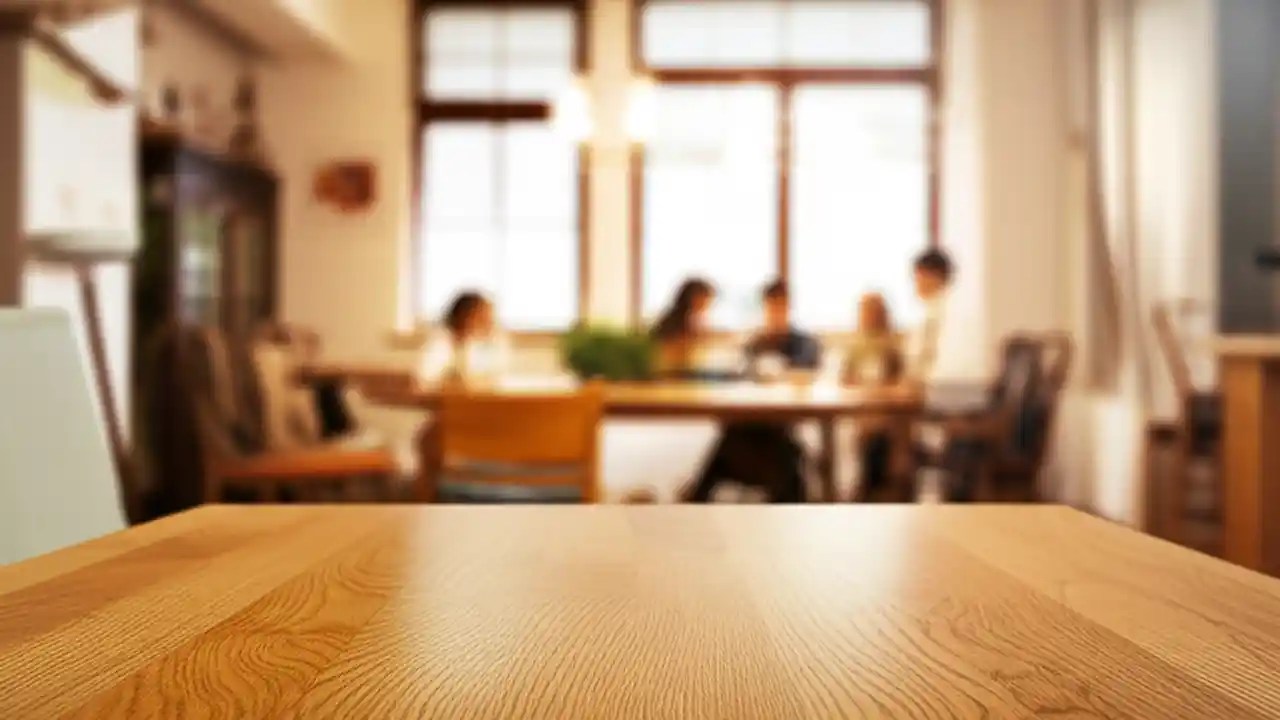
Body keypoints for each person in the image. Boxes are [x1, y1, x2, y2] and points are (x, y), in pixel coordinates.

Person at [682, 281, 820, 503]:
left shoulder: (804, 343)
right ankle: (697, 497)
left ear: (788, 306)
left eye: (780, 306)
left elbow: (806, 374)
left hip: (781, 422)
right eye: (770, 307)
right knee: (733, 438)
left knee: (734, 444)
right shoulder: (755, 343)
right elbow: (740, 376)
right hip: (751, 419)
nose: (775, 313)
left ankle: (696, 497)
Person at [843, 293, 906, 502]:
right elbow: (846, 379)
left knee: (880, 435)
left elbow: (899, 381)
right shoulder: (855, 345)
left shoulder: (892, 346)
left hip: (888, 414)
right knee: (867, 434)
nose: (867, 316)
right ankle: (866, 490)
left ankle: (873, 489)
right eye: (864, 311)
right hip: (862, 411)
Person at [419, 291, 510, 386]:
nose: (488, 324)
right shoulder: (441, 343)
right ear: (464, 317)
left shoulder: (489, 343)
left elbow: (497, 375)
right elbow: (426, 378)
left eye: (489, 318)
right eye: (481, 317)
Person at [904, 249, 954, 384]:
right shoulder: (931, 309)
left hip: (934, 389)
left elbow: (926, 365)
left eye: (917, 277)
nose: (915, 283)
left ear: (933, 276)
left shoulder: (942, 313)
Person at [650, 278, 716, 379]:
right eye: (706, 299)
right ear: (694, 298)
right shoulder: (675, 322)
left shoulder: (688, 319)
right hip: (672, 374)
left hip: (681, 372)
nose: (708, 305)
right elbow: (677, 352)